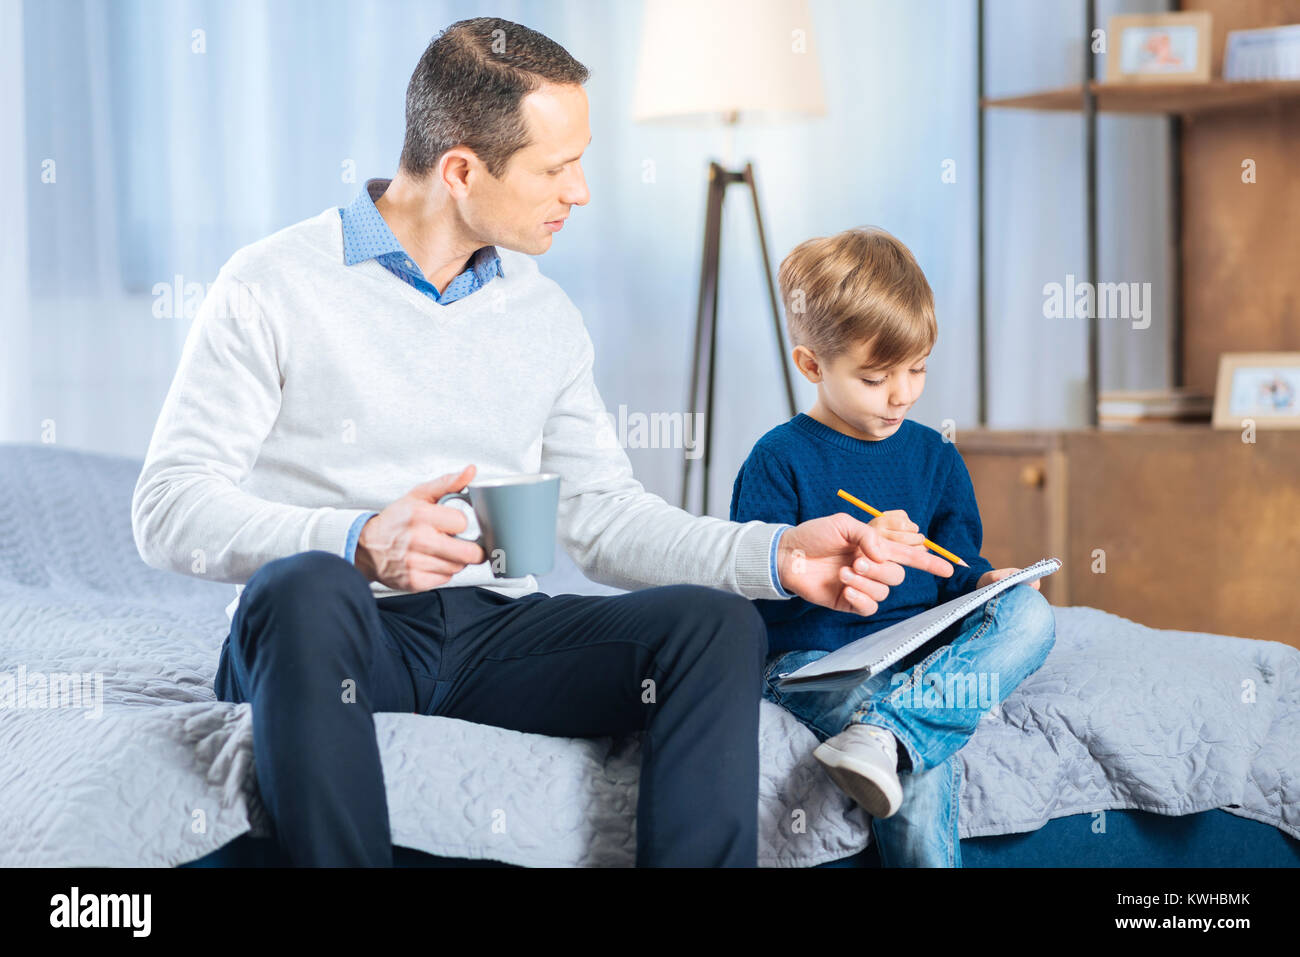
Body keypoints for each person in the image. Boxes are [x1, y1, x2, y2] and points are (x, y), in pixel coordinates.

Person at [130, 18, 953, 867]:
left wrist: (778, 555)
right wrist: (358, 540)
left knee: (713, 627)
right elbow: (166, 506)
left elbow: (603, 518)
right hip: (339, 633)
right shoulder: (272, 283)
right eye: (557, 168)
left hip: (493, 633)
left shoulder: (542, 313)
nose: (583, 191)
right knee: (303, 587)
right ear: (461, 170)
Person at [730, 226, 1057, 867]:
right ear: (812, 366)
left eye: (917, 369)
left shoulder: (935, 456)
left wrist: (988, 585)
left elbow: (956, 569)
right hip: (813, 662)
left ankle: (886, 733)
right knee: (918, 762)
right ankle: (897, 736)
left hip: (917, 655)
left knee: (1033, 617)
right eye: (877, 377)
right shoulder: (778, 459)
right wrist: (848, 559)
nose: (903, 394)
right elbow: (756, 591)